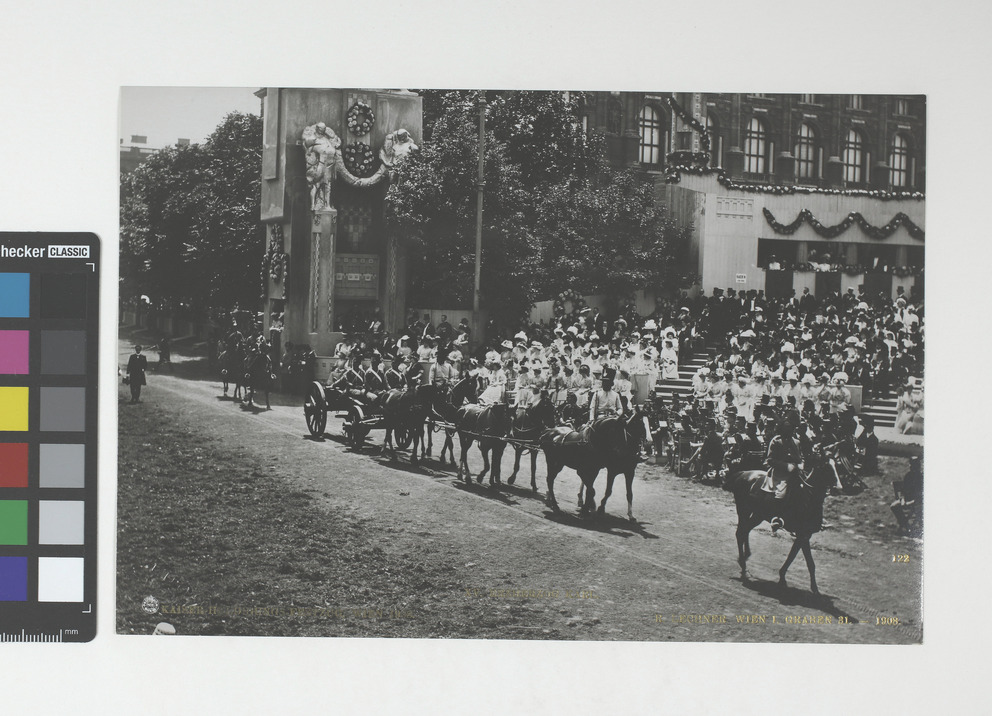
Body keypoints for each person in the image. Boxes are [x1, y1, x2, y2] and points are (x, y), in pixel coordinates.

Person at [891, 456, 923, 535]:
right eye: (912, 465)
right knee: (894, 506)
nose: (913, 467)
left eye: (915, 465)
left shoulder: (921, 477)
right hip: (907, 500)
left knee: (919, 509)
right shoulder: (908, 476)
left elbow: (921, 494)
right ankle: (906, 526)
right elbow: (903, 490)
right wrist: (903, 499)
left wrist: (912, 502)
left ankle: (913, 528)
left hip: (917, 502)